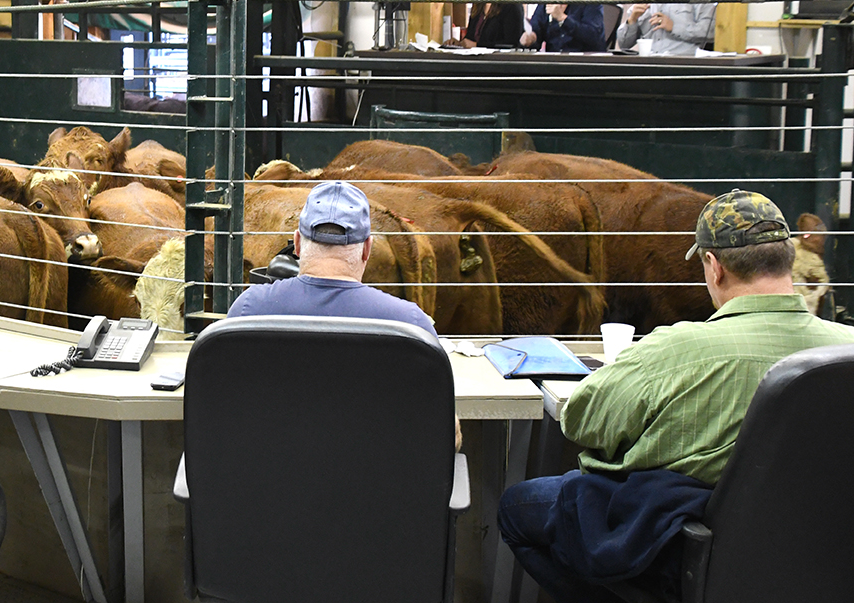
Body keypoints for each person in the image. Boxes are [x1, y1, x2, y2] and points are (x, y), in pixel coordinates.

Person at [498, 190, 854, 603]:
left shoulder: (675, 348)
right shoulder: (846, 350)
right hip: (822, 548)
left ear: (714, 267)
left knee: (518, 508)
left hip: (687, 548)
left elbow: (581, 419)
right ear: (787, 259)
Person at [227, 181, 460, 450]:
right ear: (367, 249)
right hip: (377, 490)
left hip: (266, 488)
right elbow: (446, 439)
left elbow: (224, 410)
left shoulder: (248, 312)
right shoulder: (409, 326)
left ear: (298, 243)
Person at [792, 212, 831, 315]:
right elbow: (822, 281)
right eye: (819, 234)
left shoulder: (788, 247)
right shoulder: (804, 255)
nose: (822, 239)